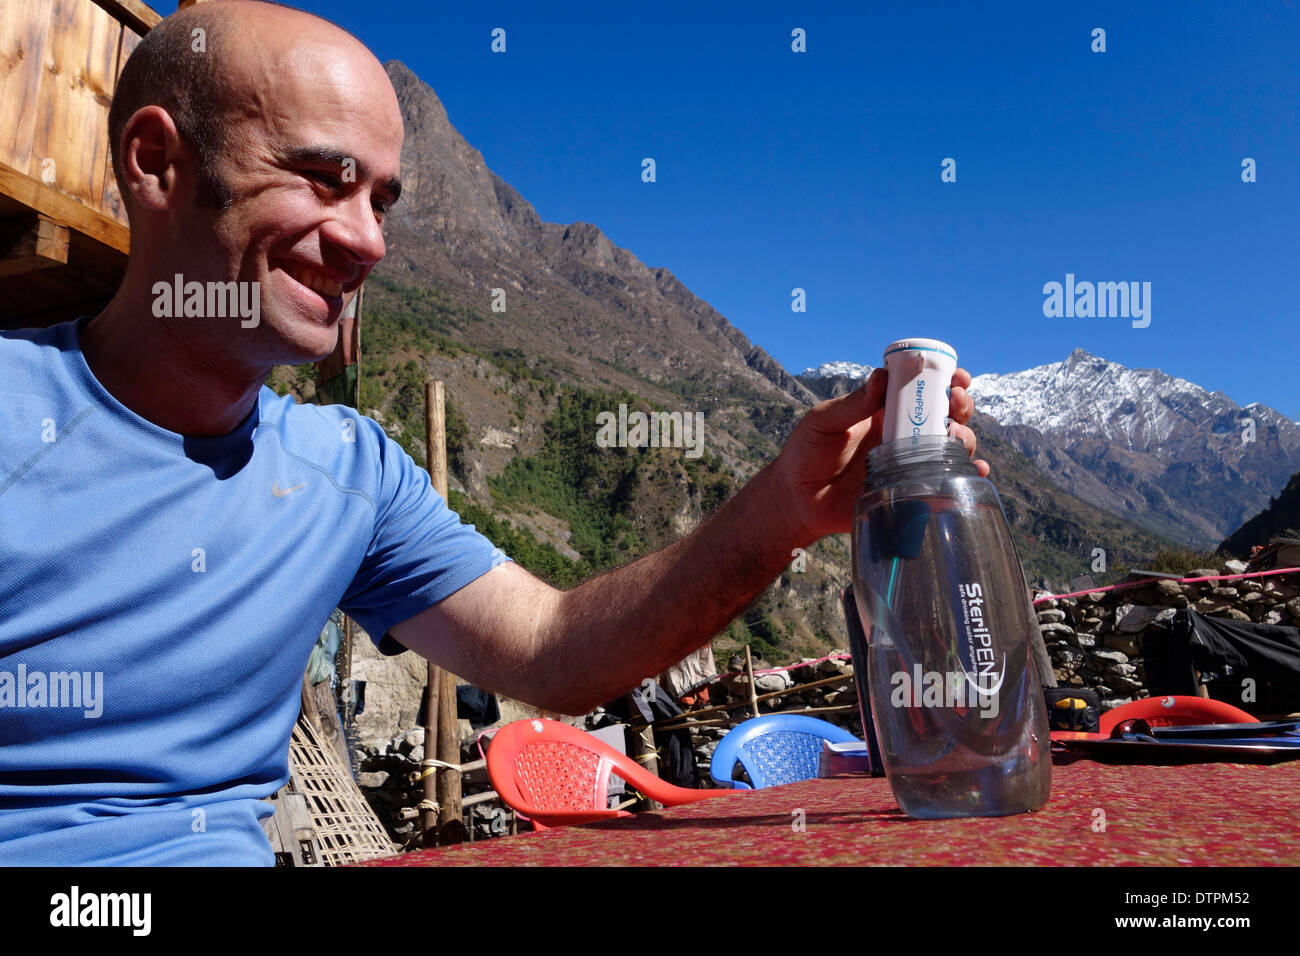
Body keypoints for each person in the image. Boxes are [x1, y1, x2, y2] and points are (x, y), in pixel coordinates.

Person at [0, 0, 986, 865]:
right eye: (317, 179)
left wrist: (781, 507)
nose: (366, 241)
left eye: (380, 201)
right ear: (155, 162)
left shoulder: (348, 475)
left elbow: (554, 649)